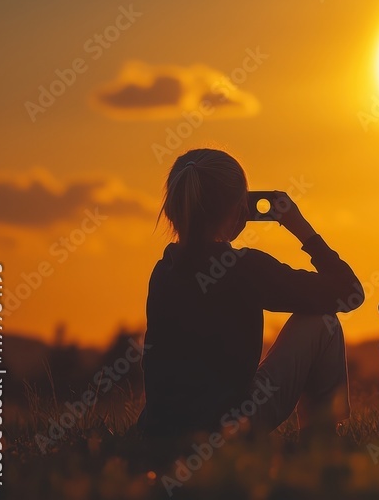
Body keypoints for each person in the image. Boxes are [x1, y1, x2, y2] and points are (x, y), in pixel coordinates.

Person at [137, 148, 363, 440]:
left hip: (160, 430)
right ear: (241, 209)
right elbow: (350, 293)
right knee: (323, 323)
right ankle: (318, 443)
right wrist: (301, 228)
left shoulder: (163, 271)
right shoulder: (245, 269)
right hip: (231, 428)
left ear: (174, 209)